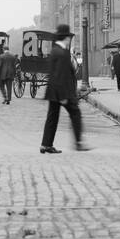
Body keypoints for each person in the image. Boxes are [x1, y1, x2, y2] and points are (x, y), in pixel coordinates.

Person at [40, 24, 89, 154]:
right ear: (66, 38)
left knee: (52, 117)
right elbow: (60, 75)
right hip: (62, 92)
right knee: (75, 113)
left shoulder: (55, 50)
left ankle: (46, 144)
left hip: (54, 91)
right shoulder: (62, 53)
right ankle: (78, 143)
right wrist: (62, 96)